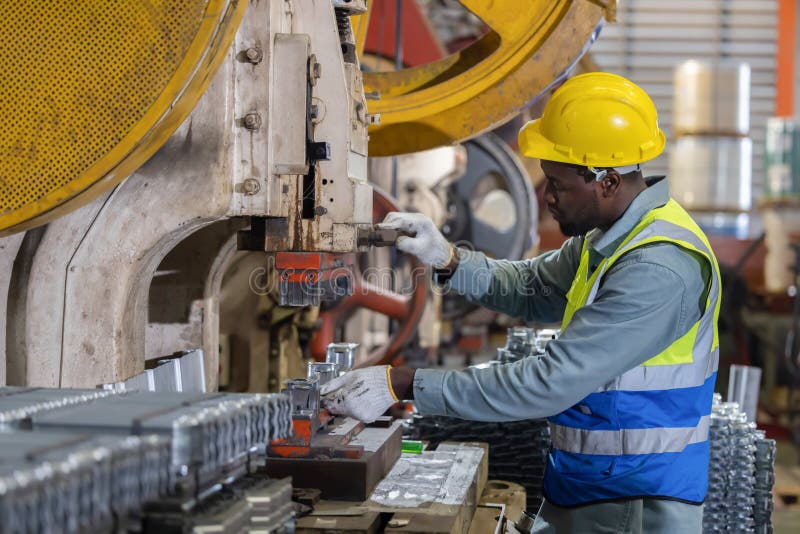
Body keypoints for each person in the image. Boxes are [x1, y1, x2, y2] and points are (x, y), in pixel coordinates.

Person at [321, 72, 720, 533]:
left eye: (558, 184)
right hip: (593, 485)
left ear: (607, 182)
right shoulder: (611, 238)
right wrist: (448, 258)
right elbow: (535, 287)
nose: (547, 196)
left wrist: (405, 383)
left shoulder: (657, 270)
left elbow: (547, 384)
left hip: (634, 503)